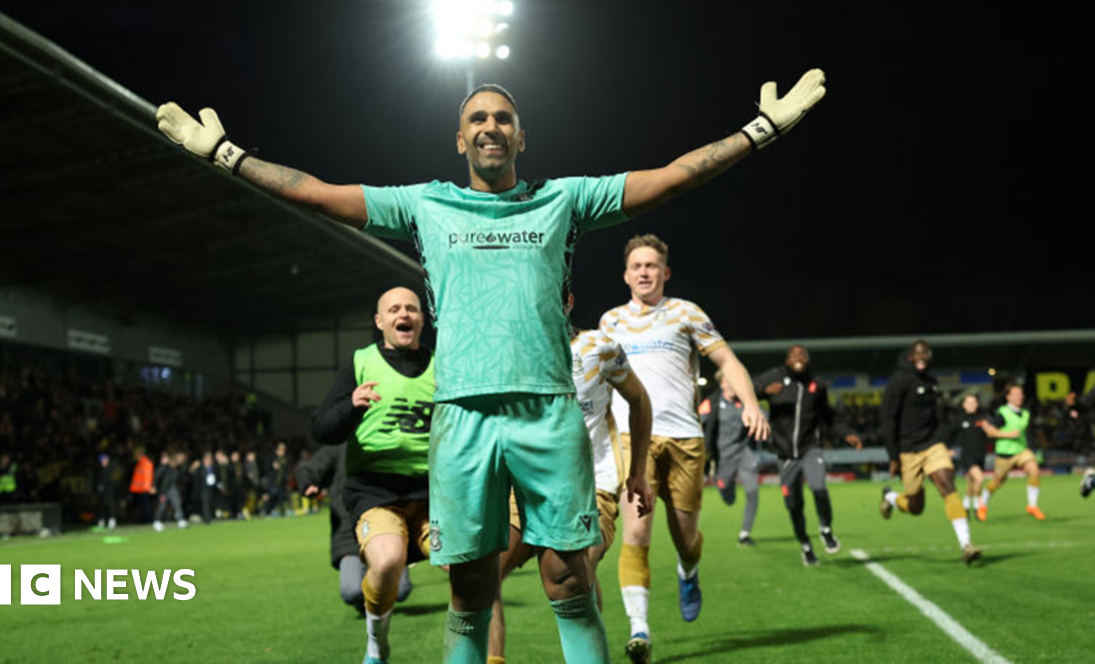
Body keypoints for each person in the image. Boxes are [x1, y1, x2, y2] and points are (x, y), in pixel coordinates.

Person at [158, 68, 826, 664]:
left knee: (570, 576)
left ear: (521, 136)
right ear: (459, 139)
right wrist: (226, 155)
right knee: (471, 585)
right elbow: (318, 194)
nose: (489, 126)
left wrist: (760, 130)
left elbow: (671, 178)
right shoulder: (424, 204)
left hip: (547, 414)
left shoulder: (564, 199)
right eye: (477, 117)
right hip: (462, 420)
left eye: (502, 117)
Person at [601, 234, 770, 661]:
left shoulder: (686, 313)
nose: (644, 272)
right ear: (626, 275)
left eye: (652, 265)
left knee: (686, 536)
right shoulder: (611, 322)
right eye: (637, 266)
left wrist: (751, 404)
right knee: (636, 530)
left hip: (686, 439)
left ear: (665, 272)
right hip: (632, 438)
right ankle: (639, 629)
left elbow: (727, 360)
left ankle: (688, 569)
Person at [488, 314, 655, 664]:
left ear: (567, 302)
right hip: (526, 488)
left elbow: (639, 400)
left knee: (573, 580)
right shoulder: (510, 349)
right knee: (482, 574)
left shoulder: (599, 347)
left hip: (590, 485)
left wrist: (637, 472)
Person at [312, 287, 436, 664]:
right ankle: (376, 646)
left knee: (472, 570)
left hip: (435, 493)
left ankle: (476, 652)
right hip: (376, 490)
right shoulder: (360, 362)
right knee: (385, 563)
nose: (405, 314)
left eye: (412, 308)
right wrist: (350, 405)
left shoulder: (443, 364)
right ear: (380, 321)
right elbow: (322, 429)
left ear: (422, 319)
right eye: (394, 309)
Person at [754, 345, 860, 566]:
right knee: (793, 505)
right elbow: (746, 389)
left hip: (810, 448)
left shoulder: (816, 385)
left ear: (808, 359)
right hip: (784, 454)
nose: (798, 358)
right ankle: (805, 546)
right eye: (794, 355)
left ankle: (826, 529)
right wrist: (763, 392)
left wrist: (847, 433)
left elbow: (828, 416)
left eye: (802, 355)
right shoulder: (774, 376)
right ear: (787, 359)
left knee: (819, 487)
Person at [877, 341, 980, 563]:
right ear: (911, 357)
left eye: (925, 355)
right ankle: (891, 497)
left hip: (932, 444)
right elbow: (887, 419)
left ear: (930, 357)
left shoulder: (932, 381)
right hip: (907, 450)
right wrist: (893, 456)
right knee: (915, 507)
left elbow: (935, 417)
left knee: (947, 486)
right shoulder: (899, 381)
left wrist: (942, 441)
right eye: (917, 355)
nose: (921, 358)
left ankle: (966, 545)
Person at [296, 443, 414, 616]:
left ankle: (375, 579)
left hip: (386, 525)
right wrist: (308, 483)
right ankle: (367, 597)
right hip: (350, 530)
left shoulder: (387, 441)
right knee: (351, 591)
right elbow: (309, 468)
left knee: (401, 590)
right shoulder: (340, 446)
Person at [699, 370, 762, 547]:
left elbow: (762, 415)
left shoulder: (746, 402)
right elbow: (697, 421)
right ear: (722, 384)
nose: (734, 385)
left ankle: (745, 533)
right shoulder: (712, 402)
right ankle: (725, 486)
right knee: (728, 497)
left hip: (744, 452)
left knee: (752, 491)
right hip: (723, 457)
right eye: (729, 381)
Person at [977, 383, 1046, 521]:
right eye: (1015, 394)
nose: (1019, 396)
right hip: (1005, 453)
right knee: (998, 481)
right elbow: (991, 432)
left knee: (1034, 470)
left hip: (1021, 450)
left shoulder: (1026, 413)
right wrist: (1008, 435)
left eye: (1020, 394)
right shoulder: (1001, 413)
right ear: (1008, 397)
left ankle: (1032, 506)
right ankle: (982, 504)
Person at [948, 393, 989, 516]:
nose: (972, 405)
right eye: (969, 403)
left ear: (977, 404)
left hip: (980, 455)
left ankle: (965, 505)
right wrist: (948, 449)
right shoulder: (959, 419)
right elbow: (947, 434)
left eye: (974, 402)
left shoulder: (983, 418)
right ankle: (978, 505)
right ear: (964, 405)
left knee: (972, 482)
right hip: (967, 456)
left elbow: (990, 433)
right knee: (979, 479)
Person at [152, 452, 188, 531]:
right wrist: (153, 486)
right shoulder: (164, 467)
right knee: (162, 506)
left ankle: (180, 520)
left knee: (177, 503)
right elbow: (156, 475)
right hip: (164, 490)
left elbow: (182, 477)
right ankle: (157, 522)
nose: (182, 460)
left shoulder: (179, 468)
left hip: (173, 489)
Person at [128, 447, 154, 523]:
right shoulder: (140, 463)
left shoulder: (146, 463)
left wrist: (147, 488)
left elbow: (148, 476)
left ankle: (150, 520)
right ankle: (146, 520)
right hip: (139, 489)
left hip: (144, 489)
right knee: (143, 506)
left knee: (146, 506)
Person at [96, 453, 117, 530]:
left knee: (110, 504)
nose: (103, 462)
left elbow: (114, 478)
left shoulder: (112, 467)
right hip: (102, 490)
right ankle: (102, 520)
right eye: (102, 461)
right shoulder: (100, 469)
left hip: (110, 489)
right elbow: (99, 480)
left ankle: (112, 519)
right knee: (102, 504)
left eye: (104, 460)